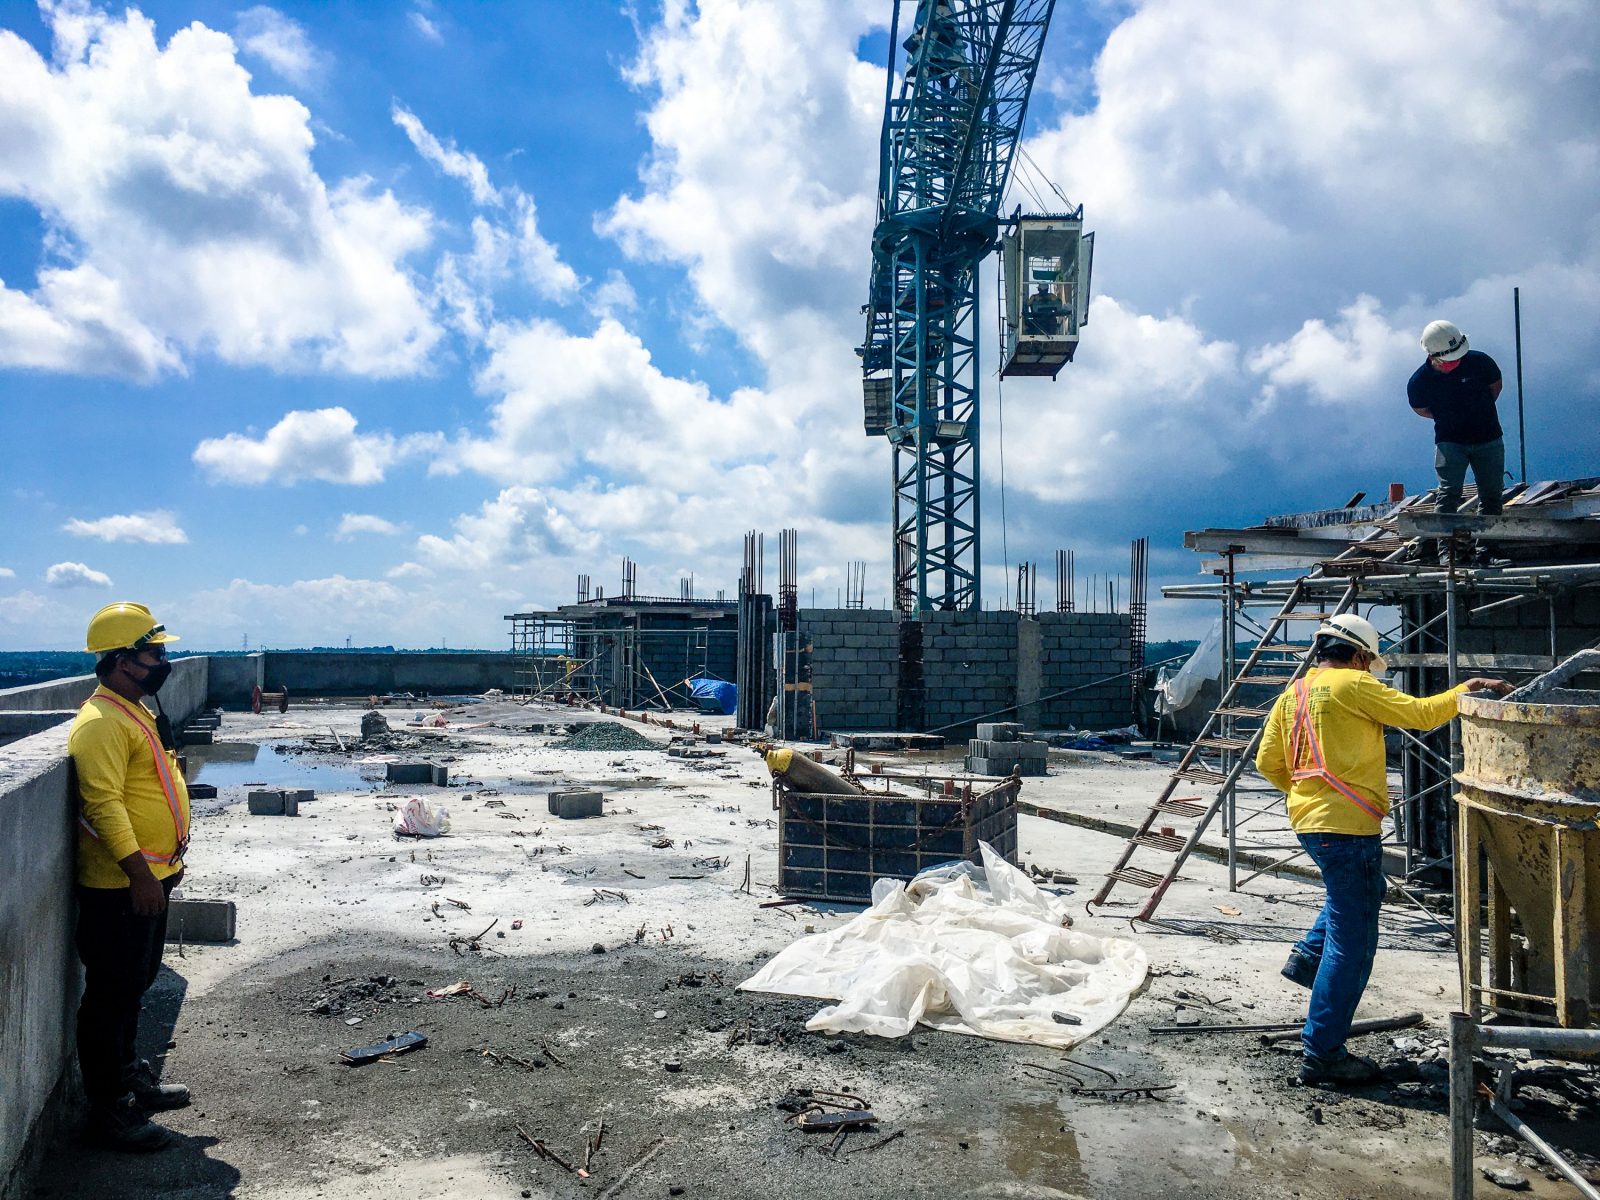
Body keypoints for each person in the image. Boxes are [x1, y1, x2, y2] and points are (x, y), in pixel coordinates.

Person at [1255, 613, 1509, 1086]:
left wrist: (1309, 795)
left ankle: (1307, 958)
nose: (1369, 668)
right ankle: (1322, 1054)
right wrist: (1465, 689)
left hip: (1310, 824)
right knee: (1352, 944)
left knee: (1354, 898)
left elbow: (1267, 761)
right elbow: (1421, 714)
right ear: (1357, 656)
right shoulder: (1354, 685)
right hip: (1348, 828)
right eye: (1368, 661)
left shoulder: (1294, 694)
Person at [68, 603, 192, 1150]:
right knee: (110, 995)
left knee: (133, 986)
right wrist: (140, 875)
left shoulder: (133, 710)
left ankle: (128, 1078)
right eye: (154, 654)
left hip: (152, 876)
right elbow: (103, 805)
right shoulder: (100, 724)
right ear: (123, 661)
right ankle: (108, 1111)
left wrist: (165, 866)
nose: (163, 663)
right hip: (121, 887)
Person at [1407, 320, 1505, 516]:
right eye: (1450, 360)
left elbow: (1495, 386)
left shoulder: (1480, 362)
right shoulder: (1420, 382)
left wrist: (1478, 411)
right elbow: (1420, 409)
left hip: (1489, 438)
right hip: (1450, 442)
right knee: (1448, 493)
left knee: (1492, 493)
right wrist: (1448, 418)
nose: (1456, 361)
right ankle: (1445, 536)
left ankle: (1489, 536)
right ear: (1432, 356)